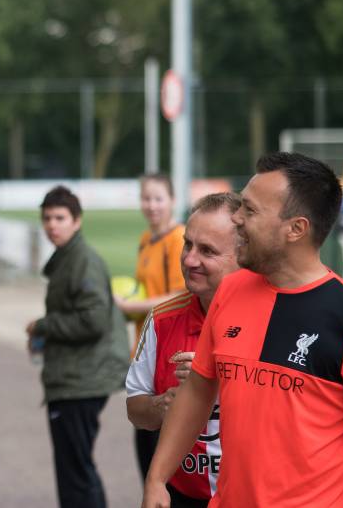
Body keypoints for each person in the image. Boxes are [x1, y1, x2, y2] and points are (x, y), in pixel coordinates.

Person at [142, 152, 343, 508]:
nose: (236, 218)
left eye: (249, 210)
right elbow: (198, 390)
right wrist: (157, 478)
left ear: (296, 229)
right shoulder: (230, 291)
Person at [125, 192, 242, 507]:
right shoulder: (163, 319)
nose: (190, 259)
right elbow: (135, 409)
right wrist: (164, 404)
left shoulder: (273, 315)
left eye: (207, 250)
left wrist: (218, 378)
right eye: (187, 244)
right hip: (182, 496)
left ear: (242, 255)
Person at [25, 185, 129, 508]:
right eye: (47, 218)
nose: (52, 225)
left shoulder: (82, 260)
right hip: (76, 377)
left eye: (60, 217)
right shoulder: (68, 258)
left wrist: (43, 325)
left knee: (75, 471)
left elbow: (93, 321)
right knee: (76, 467)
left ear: (77, 221)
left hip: (81, 381)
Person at [115, 174, 189, 478]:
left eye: (158, 198)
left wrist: (130, 306)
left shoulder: (178, 239)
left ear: (172, 200)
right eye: (146, 198)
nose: (152, 205)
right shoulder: (146, 239)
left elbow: (183, 294)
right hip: (145, 349)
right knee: (144, 439)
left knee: (164, 446)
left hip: (170, 353)